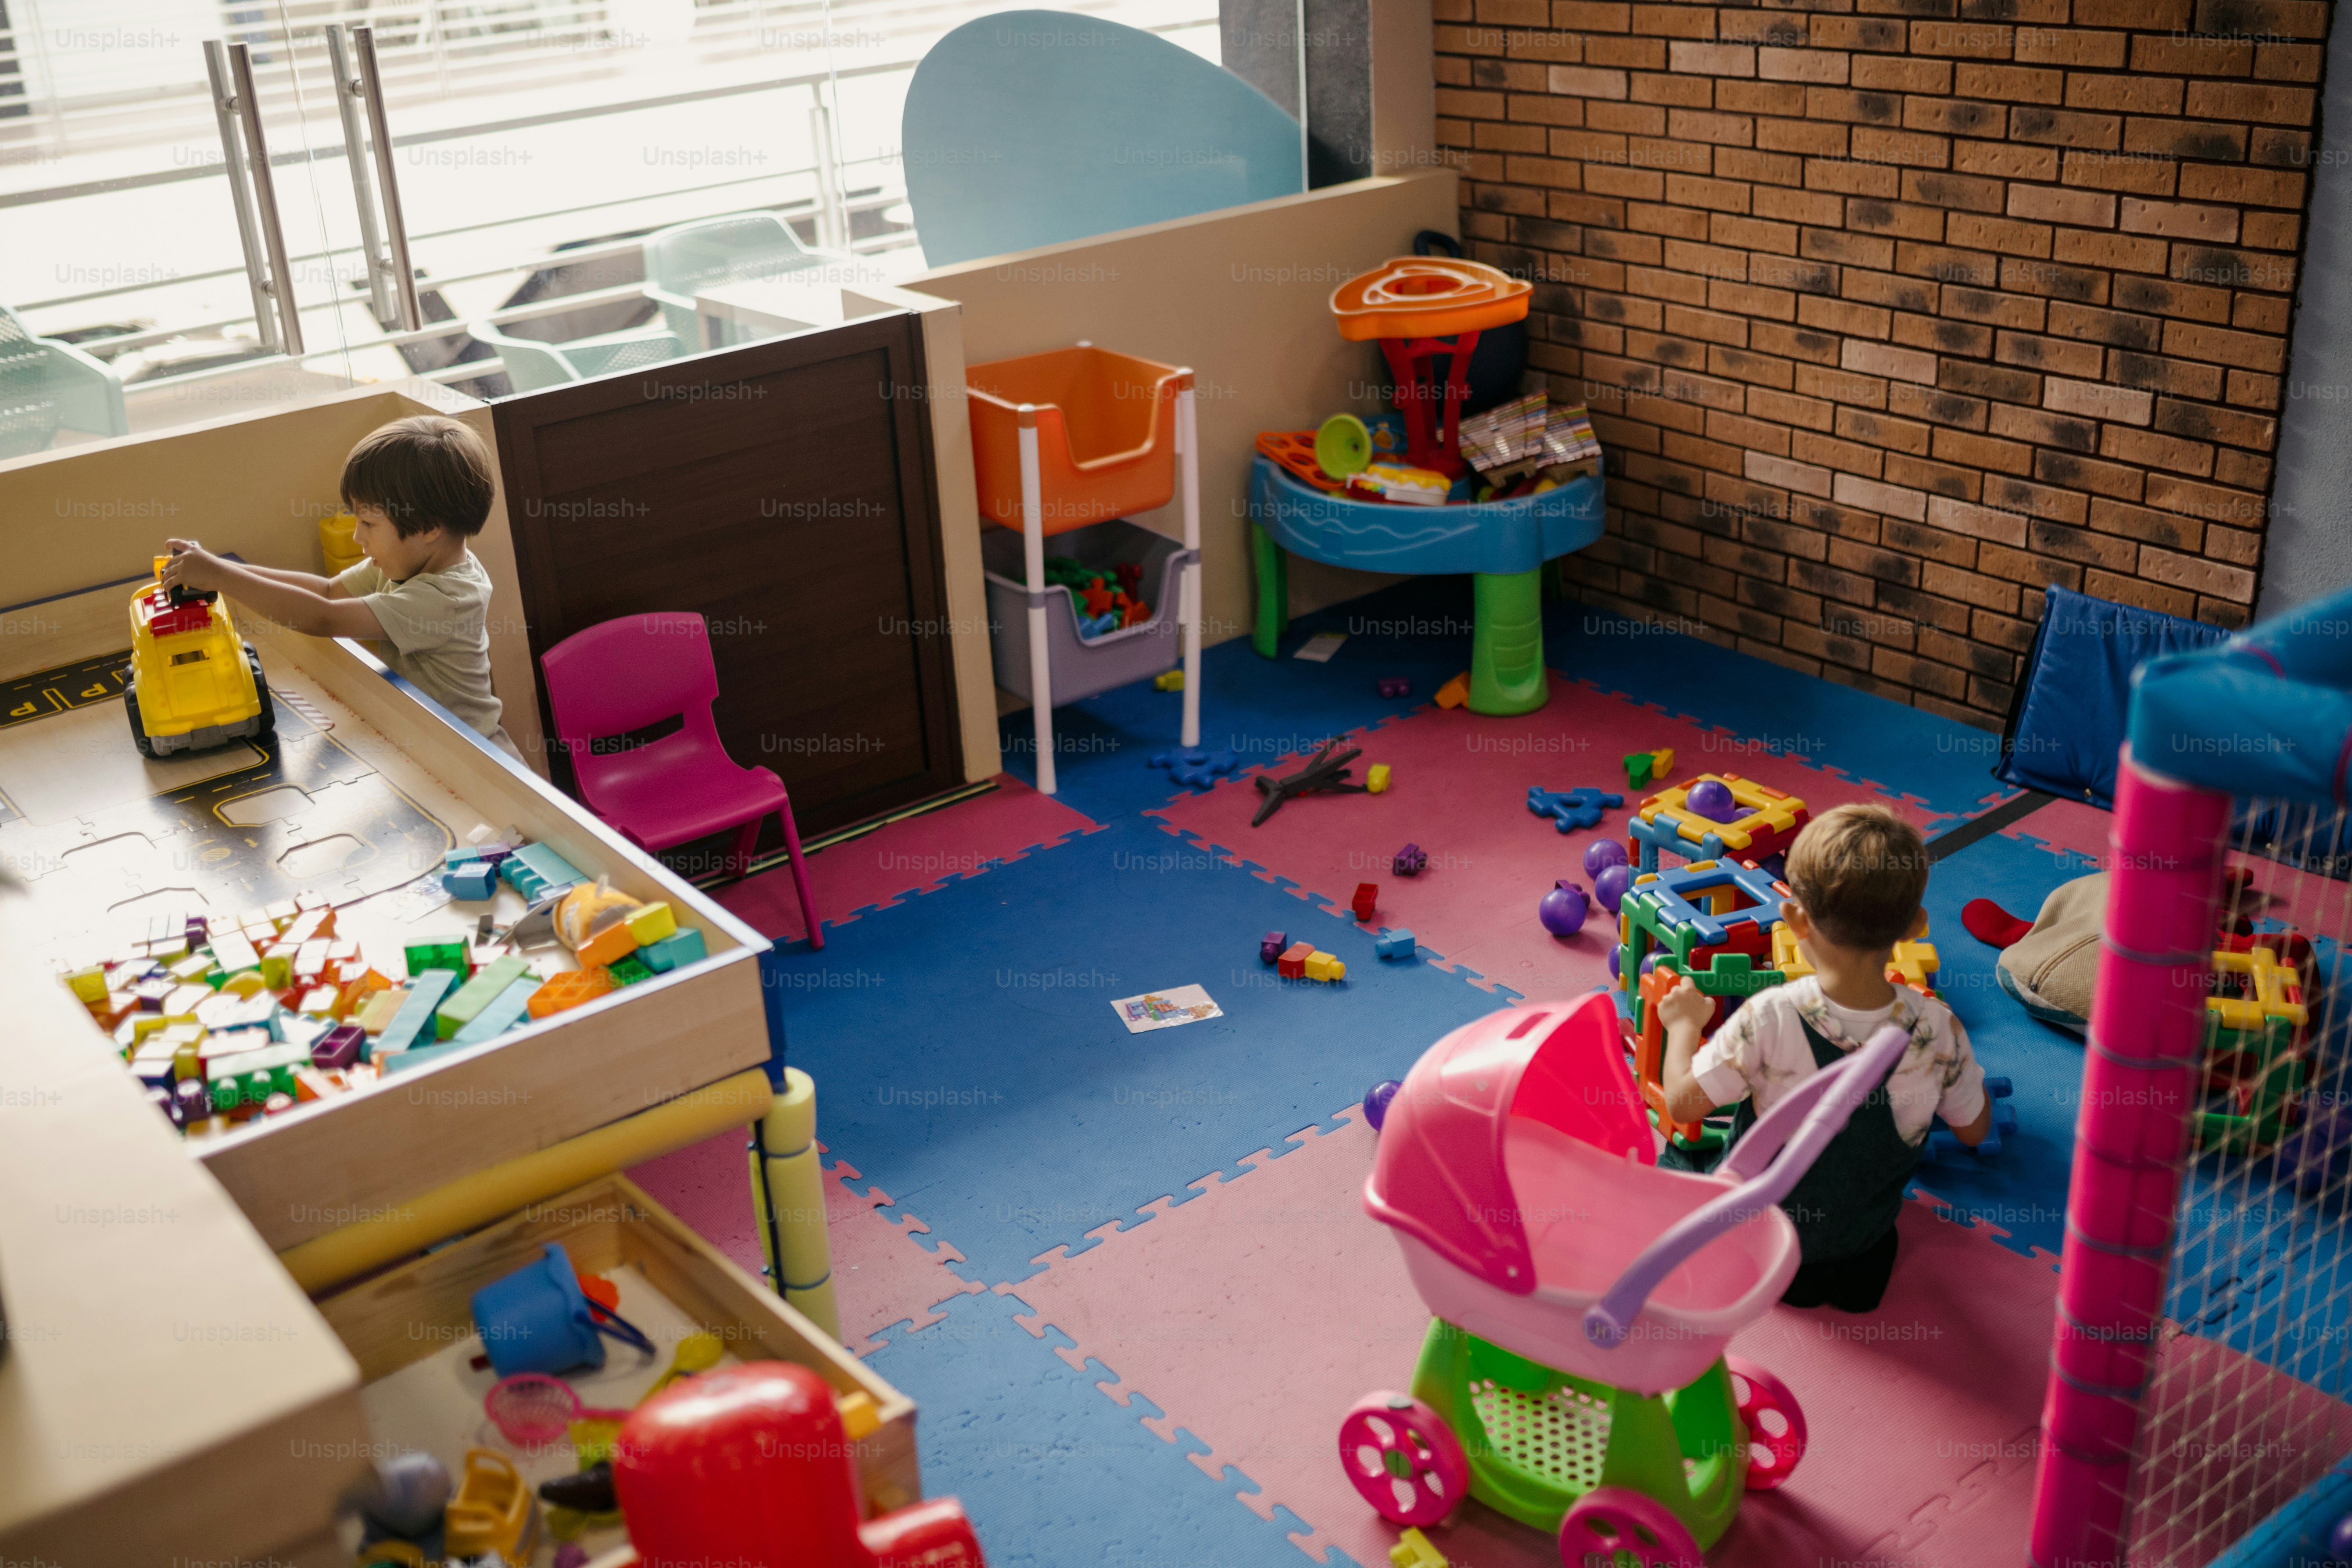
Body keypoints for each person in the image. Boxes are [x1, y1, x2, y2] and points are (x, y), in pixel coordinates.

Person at [1655, 802, 1990, 1312]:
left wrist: (1684, 1026)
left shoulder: (1767, 1016)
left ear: (1794, 918)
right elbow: (1974, 1131)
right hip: (1862, 1256)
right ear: (1915, 926)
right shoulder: (1937, 1027)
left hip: (1763, 1250)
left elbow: (1681, 1106)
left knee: (1682, 1157)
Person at [159, 414, 521, 761]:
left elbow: (324, 618)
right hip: (429, 739)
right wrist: (221, 568)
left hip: (475, 754)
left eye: (368, 523)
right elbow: (328, 593)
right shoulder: (408, 563)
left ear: (429, 529)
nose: (357, 536)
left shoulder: (445, 599)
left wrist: (221, 578)